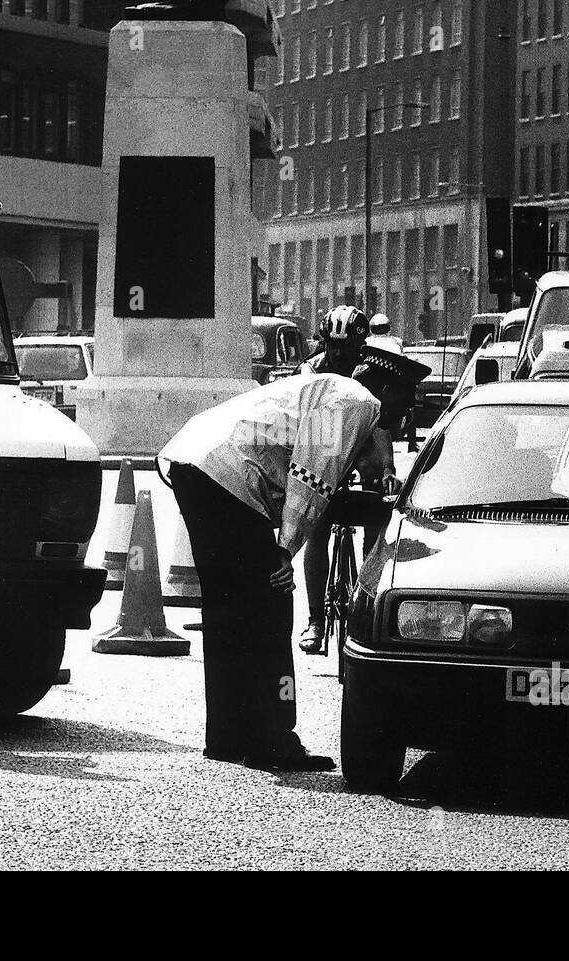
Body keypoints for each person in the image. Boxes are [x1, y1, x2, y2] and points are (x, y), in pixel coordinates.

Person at [159, 346, 429, 770]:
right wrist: (284, 552)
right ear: (388, 389)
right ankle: (274, 739)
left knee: (228, 611)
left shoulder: (334, 390)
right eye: (407, 401)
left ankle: (229, 735)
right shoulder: (357, 401)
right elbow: (310, 478)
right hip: (229, 475)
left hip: (197, 464)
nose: (408, 413)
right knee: (271, 605)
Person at [295, 306, 397, 653]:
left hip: (363, 441)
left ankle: (365, 600)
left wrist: (386, 471)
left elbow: (381, 427)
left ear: (360, 345)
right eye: (332, 345)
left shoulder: (370, 371)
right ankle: (314, 621)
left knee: (377, 509)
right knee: (318, 528)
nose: (338, 353)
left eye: (346, 347)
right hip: (323, 443)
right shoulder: (311, 369)